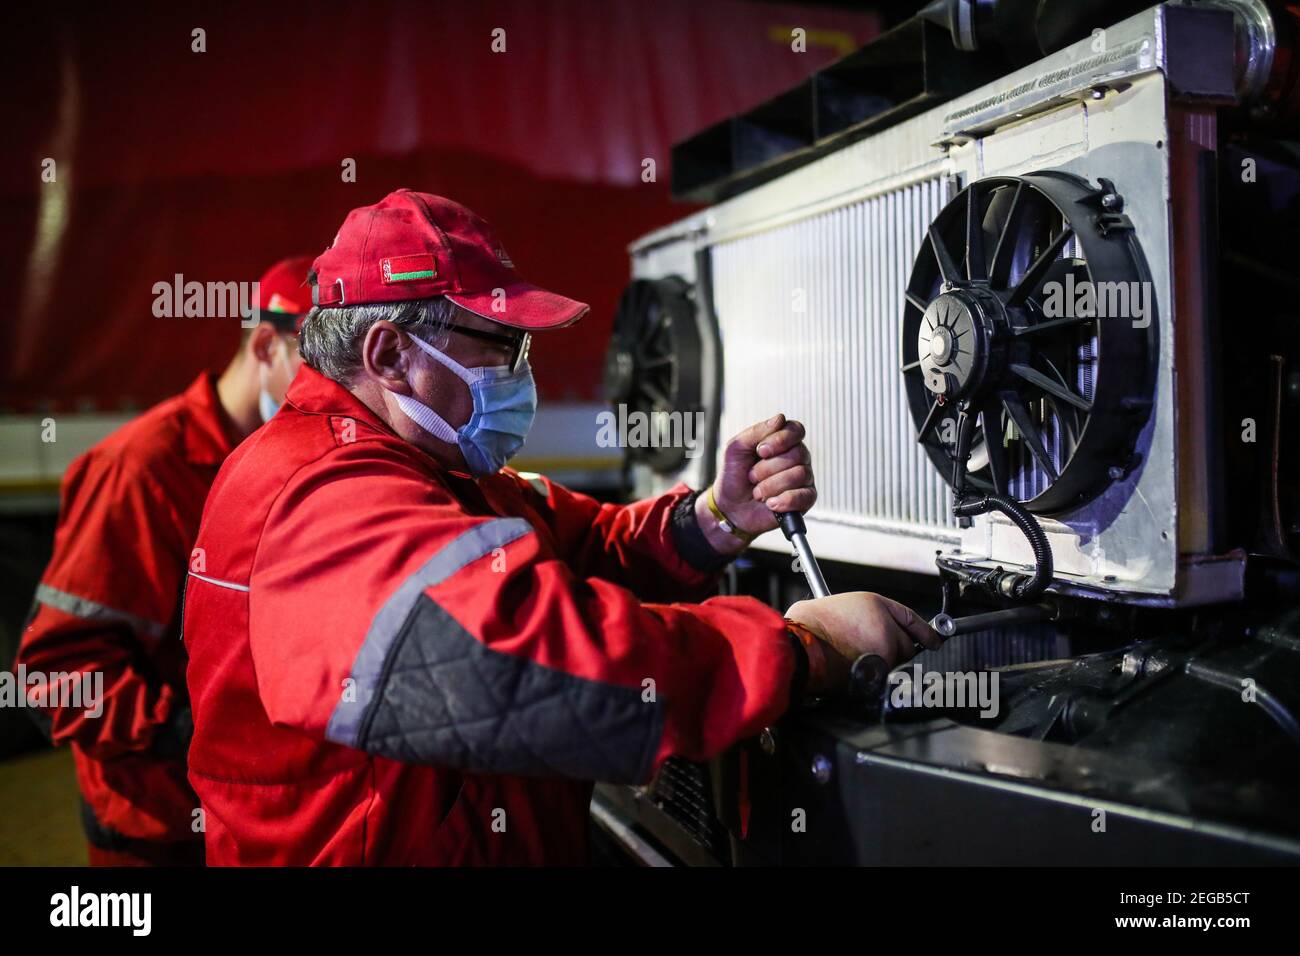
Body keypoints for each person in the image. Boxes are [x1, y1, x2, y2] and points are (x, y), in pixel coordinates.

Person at [182, 190, 940, 865]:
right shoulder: (325, 496)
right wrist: (803, 650)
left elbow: (582, 542)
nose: (522, 372)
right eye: (501, 345)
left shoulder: (435, 471)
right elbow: (522, 660)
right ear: (389, 354)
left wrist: (713, 519)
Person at [16, 256, 312, 866]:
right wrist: (191, 731)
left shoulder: (280, 464)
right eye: (318, 372)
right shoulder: (141, 471)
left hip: (248, 821)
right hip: (159, 834)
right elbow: (57, 675)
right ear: (265, 345)